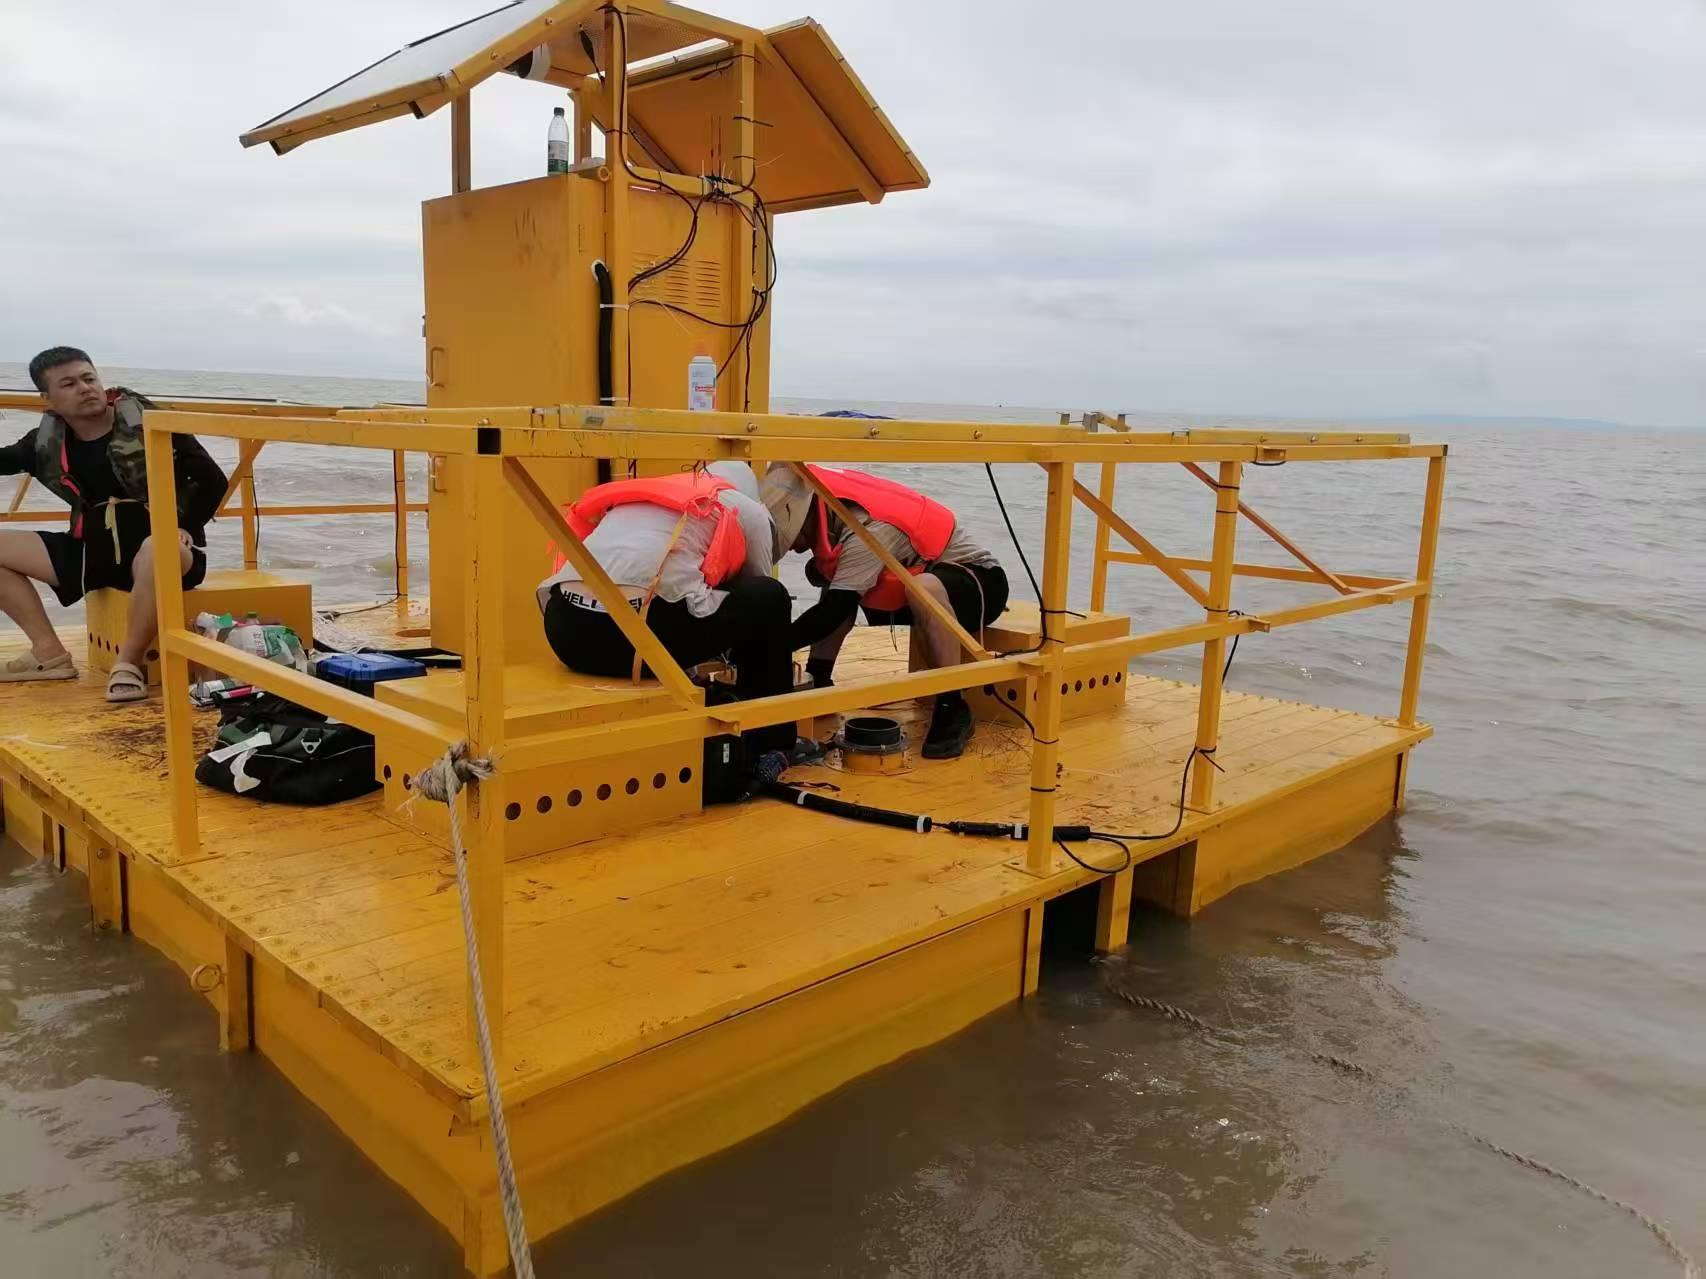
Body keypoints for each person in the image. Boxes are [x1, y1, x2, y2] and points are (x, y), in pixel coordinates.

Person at [0, 347, 227, 702]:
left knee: (158, 547)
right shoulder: (44, 442)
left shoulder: (150, 424)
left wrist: (184, 524)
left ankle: (128, 664)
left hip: (163, 550)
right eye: (69, 384)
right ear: (48, 398)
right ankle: (49, 653)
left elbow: (213, 479)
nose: (84, 388)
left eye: (88, 378)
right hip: (93, 552)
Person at [537, 460, 793, 753]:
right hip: (639, 646)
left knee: (674, 588)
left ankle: (691, 677)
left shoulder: (648, 495)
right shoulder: (744, 507)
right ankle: (773, 740)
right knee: (771, 597)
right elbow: (758, 598)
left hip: (566, 635)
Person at [761, 464, 1009, 761]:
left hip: (979, 584)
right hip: (916, 577)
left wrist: (772, 647)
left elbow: (835, 609)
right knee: (841, 580)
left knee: (920, 588)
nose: (790, 547)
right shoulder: (833, 510)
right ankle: (819, 677)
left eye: (789, 535)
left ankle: (952, 705)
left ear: (805, 514)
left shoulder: (866, 528)